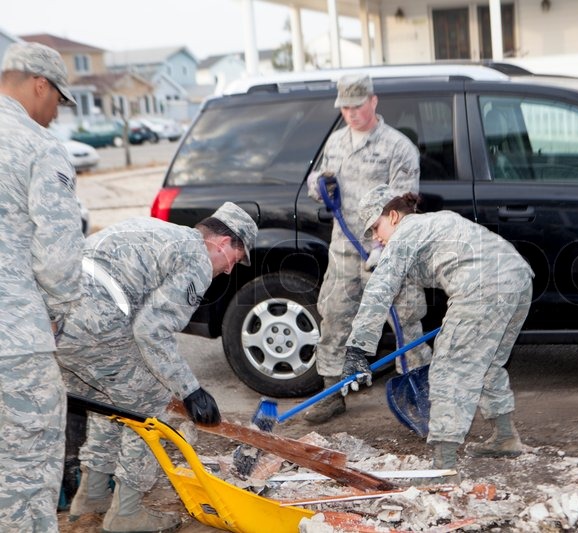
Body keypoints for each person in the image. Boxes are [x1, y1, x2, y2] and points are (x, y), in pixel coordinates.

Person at [57, 202, 257, 532]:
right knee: (150, 407)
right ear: (223, 243)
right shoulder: (196, 259)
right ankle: (127, 513)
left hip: (59, 321)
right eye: (234, 260)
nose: (228, 270)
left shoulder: (161, 233)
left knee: (113, 402)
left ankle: (90, 499)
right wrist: (189, 389)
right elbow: (152, 330)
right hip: (95, 322)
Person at [341, 185, 534, 471]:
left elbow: (379, 290)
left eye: (376, 227)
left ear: (393, 216)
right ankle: (505, 438)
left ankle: (443, 467)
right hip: (519, 279)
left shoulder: (405, 233)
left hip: (483, 289)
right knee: (488, 364)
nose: (376, 238)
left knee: (449, 369)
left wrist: (357, 348)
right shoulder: (434, 222)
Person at [304, 73, 431, 423]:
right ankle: (331, 393)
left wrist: (382, 245)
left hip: (389, 249)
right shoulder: (336, 143)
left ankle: (418, 392)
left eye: (357, 106)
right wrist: (319, 183)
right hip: (345, 248)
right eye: (345, 108)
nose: (351, 114)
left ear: (373, 101)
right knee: (335, 317)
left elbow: (404, 204)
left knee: (405, 319)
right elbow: (320, 180)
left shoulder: (397, 146)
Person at [0, 42, 84, 531]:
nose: (55, 114)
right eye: (58, 100)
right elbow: (57, 258)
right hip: (14, 346)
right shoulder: (37, 145)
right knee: (26, 486)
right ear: (40, 85)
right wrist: (57, 312)